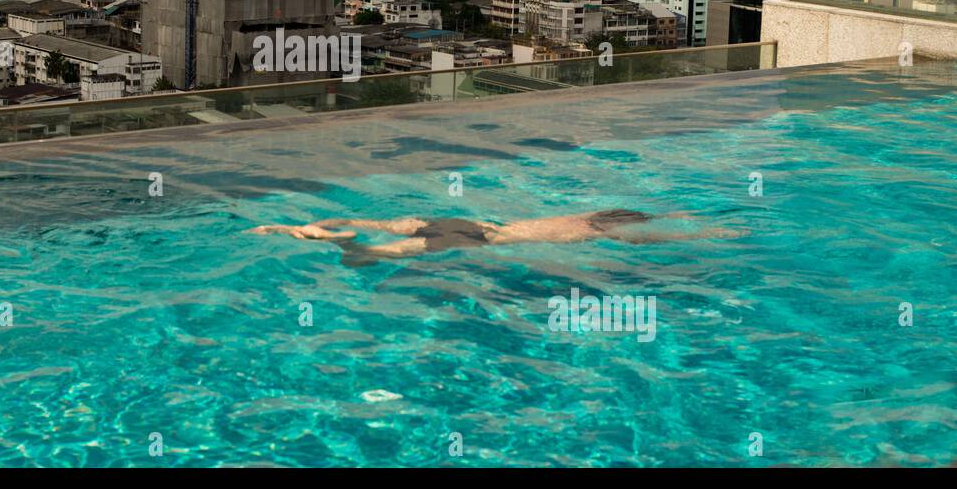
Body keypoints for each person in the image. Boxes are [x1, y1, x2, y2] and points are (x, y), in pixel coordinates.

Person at [250, 209, 736, 264]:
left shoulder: (426, 237)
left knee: (381, 244)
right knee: (624, 227)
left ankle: (713, 229)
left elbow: (373, 238)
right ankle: (712, 228)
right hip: (485, 232)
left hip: (476, 235)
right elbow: (371, 236)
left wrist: (283, 229)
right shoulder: (432, 231)